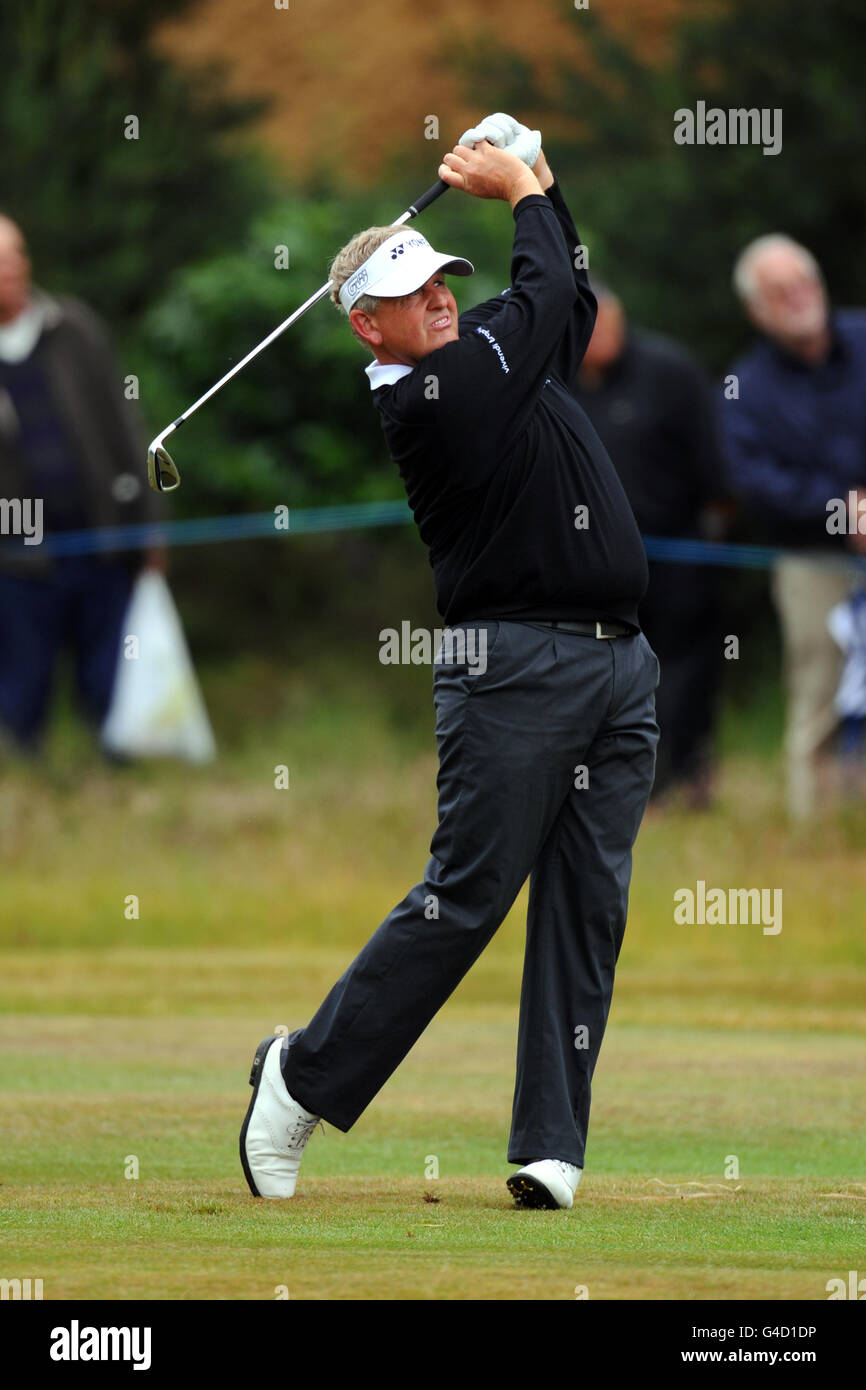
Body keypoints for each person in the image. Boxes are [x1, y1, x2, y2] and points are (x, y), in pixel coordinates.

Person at [240, 114, 659, 1211]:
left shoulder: (489, 360)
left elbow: (572, 292)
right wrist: (518, 187)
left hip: (620, 668)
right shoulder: (433, 394)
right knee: (464, 897)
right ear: (364, 328)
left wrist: (544, 186)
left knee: (585, 901)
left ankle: (547, 1142)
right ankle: (298, 1079)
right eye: (409, 289)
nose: (437, 294)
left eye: (439, 277)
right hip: (512, 666)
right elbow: (550, 300)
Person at [0, 214, 160, 755]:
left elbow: (122, 422)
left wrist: (149, 524)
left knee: (110, 677)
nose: (9, 270)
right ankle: (26, 787)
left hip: (102, 537)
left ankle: (115, 783)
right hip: (17, 558)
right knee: (23, 688)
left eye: (15, 256)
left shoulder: (73, 327)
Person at [722, 234, 866, 819]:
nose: (797, 298)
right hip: (813, 562)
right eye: (779, 292)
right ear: (757, 310)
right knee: (822, 698)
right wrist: (842, 508)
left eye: (802, 283)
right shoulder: (744, 387)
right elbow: (752, 480)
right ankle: (819, 835)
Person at [574, 281, 729, 807]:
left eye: (607, 326)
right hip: (586, 566)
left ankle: (681, 781)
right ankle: (605, 784)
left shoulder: (671, 372)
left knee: (680, 673)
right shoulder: (551, 377)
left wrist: (712, 535)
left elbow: (715, 469)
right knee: (596, 674)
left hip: (675, 556)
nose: (599, 339)